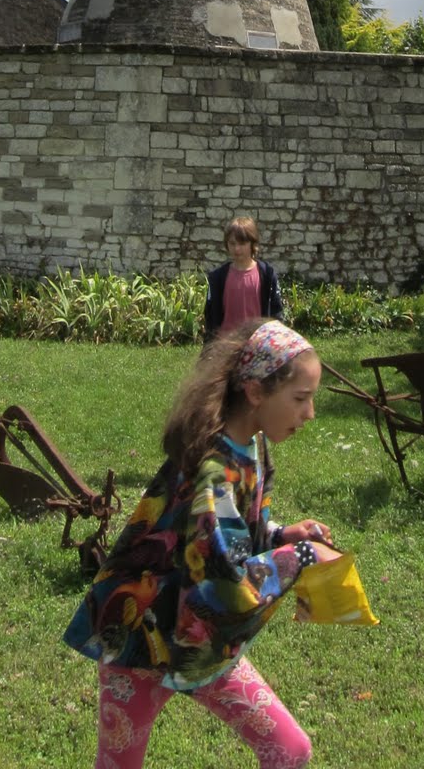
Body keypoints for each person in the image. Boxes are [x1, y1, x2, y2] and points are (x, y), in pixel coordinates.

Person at [62, 318, 337, 768]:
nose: (310, 414)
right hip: (137, 641)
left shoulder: (252, 449)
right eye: (301, 399)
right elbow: (223, 583)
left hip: (198, 645)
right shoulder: (216, 469)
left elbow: (231, 539)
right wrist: (301, 556)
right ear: (255, 392)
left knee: (290, 751)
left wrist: (281, 535)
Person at [203, 216, 284, 339]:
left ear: (252, 243)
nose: (237, 249)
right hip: (225, 346)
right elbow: (210, 316)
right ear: (226, 244)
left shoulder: (267, 275)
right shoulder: (217, 278)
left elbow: (277, 313)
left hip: (258, 346)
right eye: (232, 243)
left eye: (242, 243)